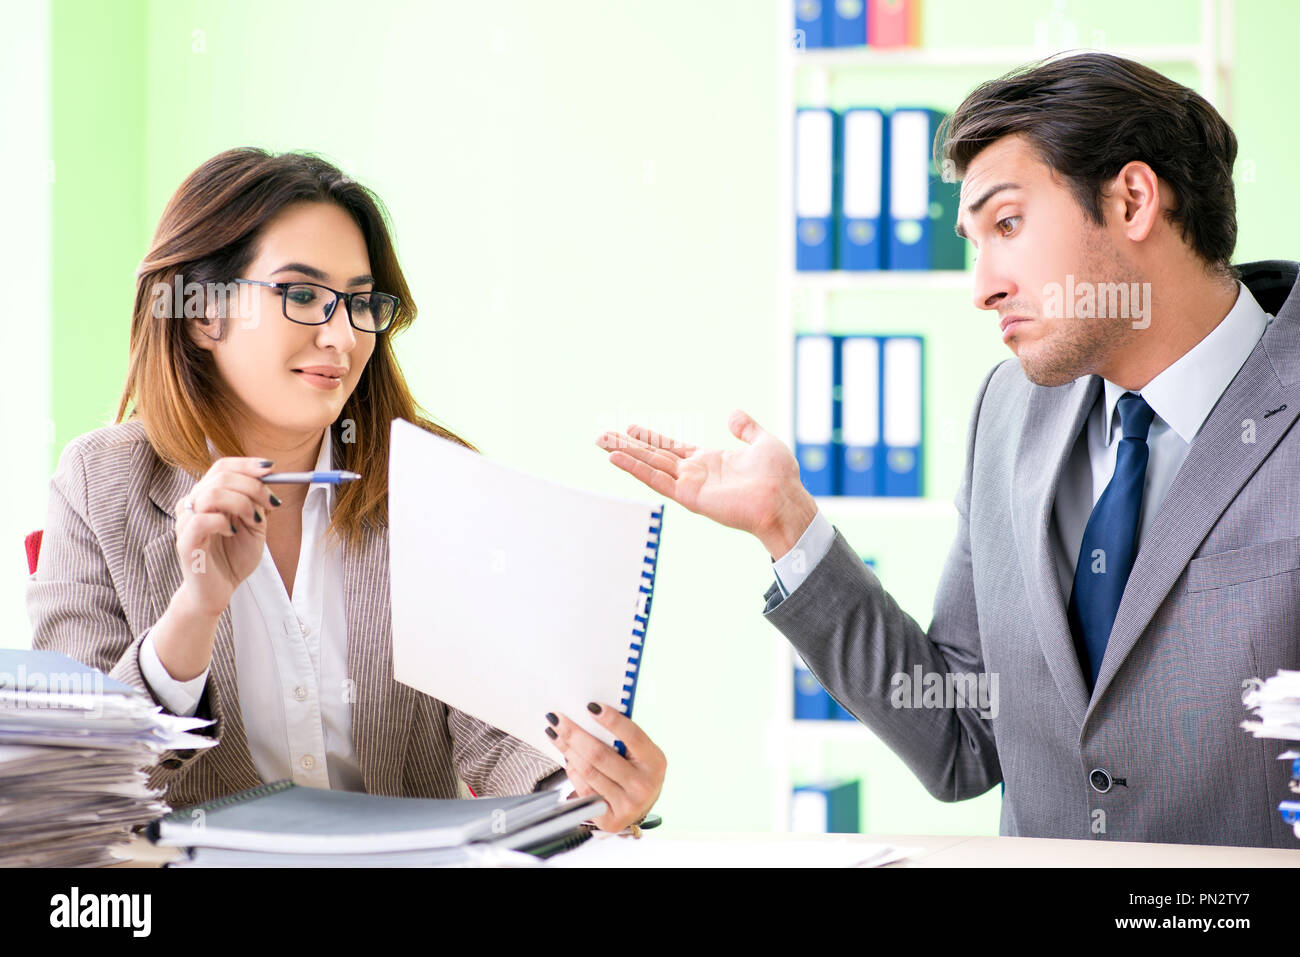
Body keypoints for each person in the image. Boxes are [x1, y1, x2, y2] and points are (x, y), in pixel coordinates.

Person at [597, 52, 1300, 847]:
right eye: (974, 241)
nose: (983, 286)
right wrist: (786, 526)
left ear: (1133, 199)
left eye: (1007, 225)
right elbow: (962, 734)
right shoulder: (1006, 414)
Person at [26, 148, 665, 833]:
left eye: (361, 303)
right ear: (203, 312)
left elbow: (511, 743)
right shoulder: (101, 484)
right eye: (302, 294)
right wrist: (195, 611)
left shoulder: (431, 480)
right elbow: (75, 781)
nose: (342, 335)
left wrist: (597, 786)